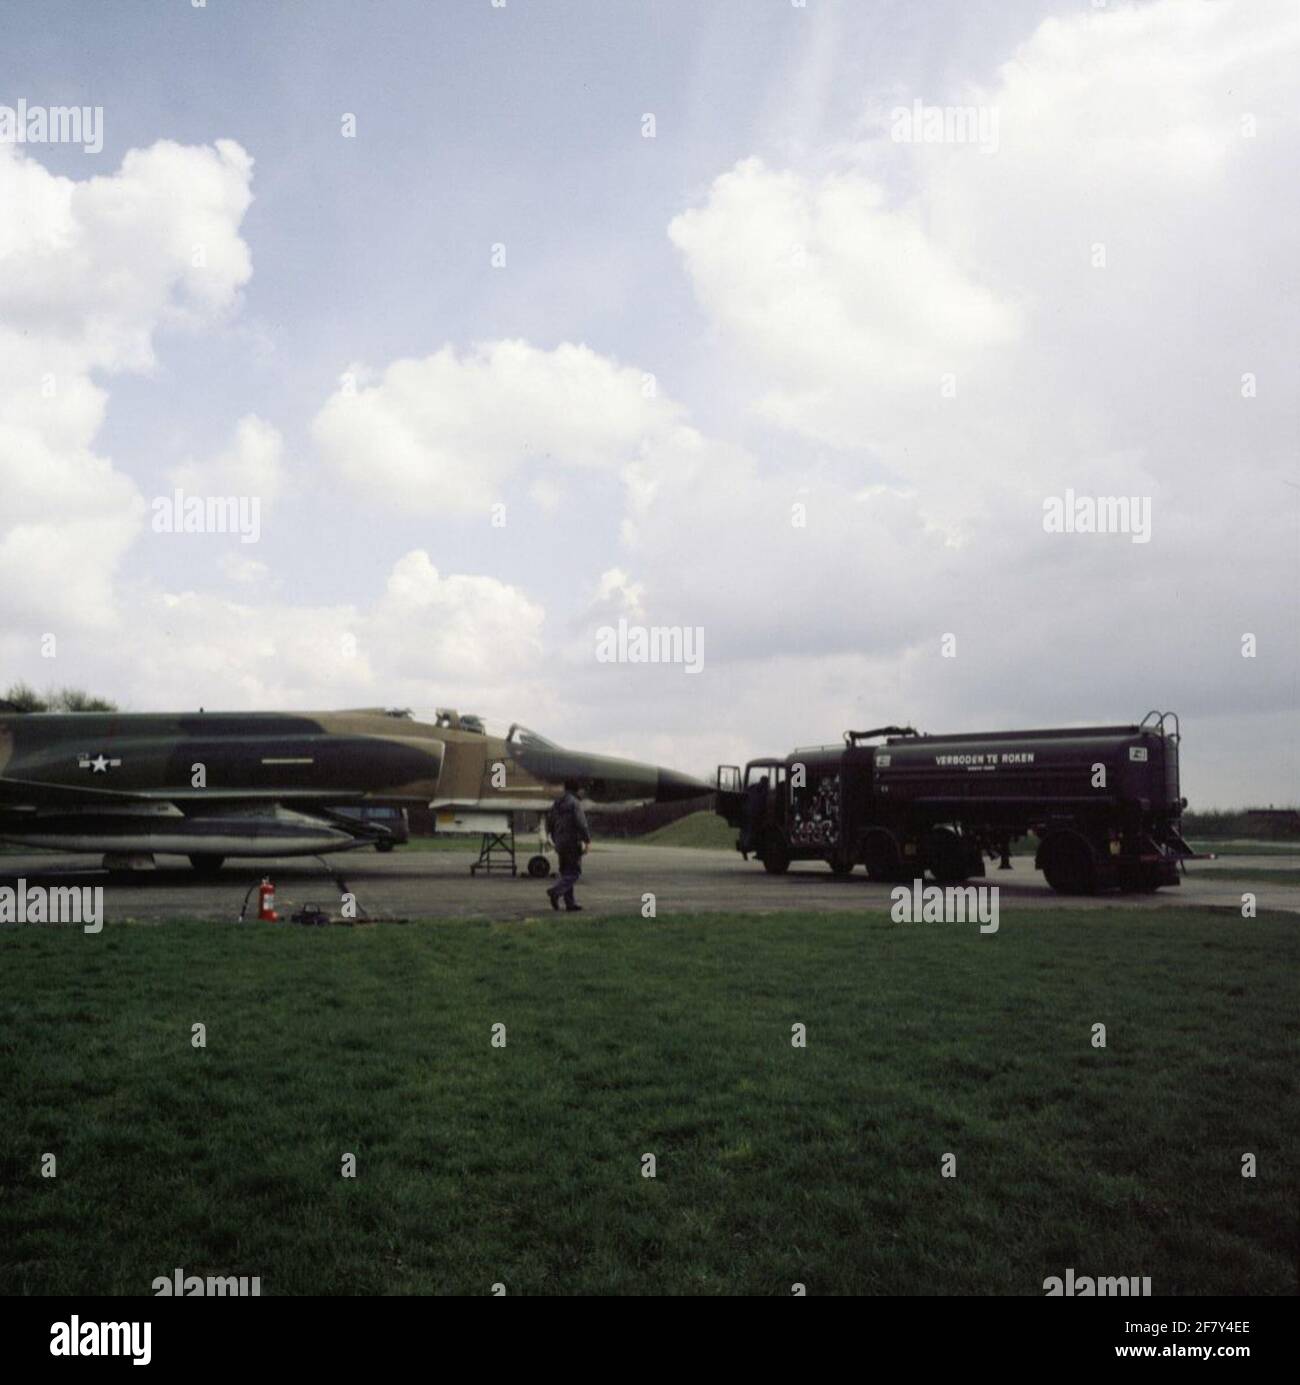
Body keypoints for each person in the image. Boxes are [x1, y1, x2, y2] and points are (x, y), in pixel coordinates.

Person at [545, 778, 591, 911]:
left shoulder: (557, 803)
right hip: (572, 842)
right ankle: (555, 891)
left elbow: (550, 822)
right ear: (577, 789)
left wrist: (554, 838)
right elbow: (581, 823)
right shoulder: (575, 803)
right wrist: (587, 840)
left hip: (559, 842)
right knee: (574, 873)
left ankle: (570, 904)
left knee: (565, 872)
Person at [740, 774, 770, 859]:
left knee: (747, 831)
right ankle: (749, 848)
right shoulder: (764, 790)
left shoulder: (752, 787)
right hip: (756, 814)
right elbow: (762, 801)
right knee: (756, 832)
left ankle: (745, 848)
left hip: (747, 812)